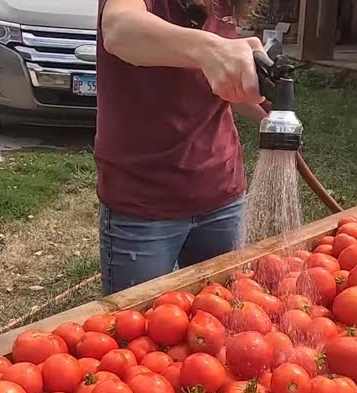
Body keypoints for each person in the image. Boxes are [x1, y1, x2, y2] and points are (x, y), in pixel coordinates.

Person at [96, 0, 267, 295]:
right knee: (143, 330)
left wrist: (265, 106)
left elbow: (219, 86)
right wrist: (211, 49)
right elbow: (119, 28)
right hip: (143, 202)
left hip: (222, 191)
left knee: (226, 313)